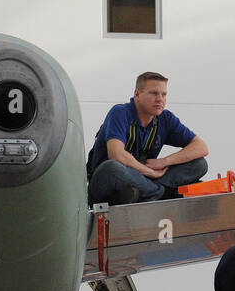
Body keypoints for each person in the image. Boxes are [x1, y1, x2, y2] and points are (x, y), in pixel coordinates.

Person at [87, 72, 209, 205]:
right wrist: (149, 172)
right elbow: (116, 155)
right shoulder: (120, 113)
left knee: (199, 164)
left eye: (164, 94)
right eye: (154, 93)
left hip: (141, 181)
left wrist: (164, 161)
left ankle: (144, 193)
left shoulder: (165, 118)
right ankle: (162, 193)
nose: (160, 99)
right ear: (137, 94)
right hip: (108, 182)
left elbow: (201, 147)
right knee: (112, 168)